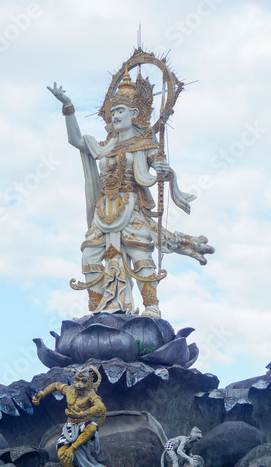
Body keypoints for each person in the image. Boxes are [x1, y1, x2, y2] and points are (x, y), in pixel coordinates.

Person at [48, 67, 212, 317]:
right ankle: (97, 309)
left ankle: (152, 307)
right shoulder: (105, 146)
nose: (115, 115)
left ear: (134, 113)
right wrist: (68, 106)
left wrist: (163, 170)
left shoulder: (145, 143)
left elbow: (160, 168)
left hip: (131, 206)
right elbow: (76, 141)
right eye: (112, 111)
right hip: (103, 209)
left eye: (120, 110)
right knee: (89, 253)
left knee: (139, 252)